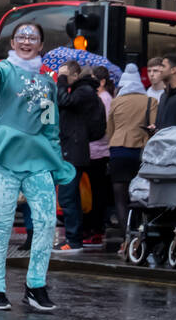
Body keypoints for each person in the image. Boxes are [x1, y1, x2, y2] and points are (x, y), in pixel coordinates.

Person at [0, 22, 76, 311]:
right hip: (4, 158)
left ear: (41, 45)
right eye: (21, 36)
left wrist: (56, 163)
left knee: (46, 223)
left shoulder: (47, 83)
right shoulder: (4, 71)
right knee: (1, 225)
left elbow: (50, 125)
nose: (26, 41)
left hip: (38, 160)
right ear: (12, 42)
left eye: (32, 37)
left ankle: (35, 286)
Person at [106, 64, 157, 253]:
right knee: (141, 196)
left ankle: (126, 240)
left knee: (120, 198)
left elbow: (109, 129)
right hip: (140, 151)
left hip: (118, 150)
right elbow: (154, 127)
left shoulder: (116, 102)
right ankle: (141, 237)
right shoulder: (150, 101)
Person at [53, 61, 101, 253]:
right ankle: (73, 239)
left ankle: (73, 241)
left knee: (67, 197)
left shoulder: (84, 92)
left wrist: (62, 79)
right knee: (70, 196)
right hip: (72, 149)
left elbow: (63, 100)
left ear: (75, 75)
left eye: (64, 75)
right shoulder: (83, 92)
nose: (61, 80)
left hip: (73, 152)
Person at [84, 65, 114, 246]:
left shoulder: (103, 99)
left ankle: (95, 230)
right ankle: (96, 229)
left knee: (95, 194)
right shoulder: (104, 98)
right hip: (98, 150)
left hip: (97, 151)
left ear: (101, 81)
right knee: (96, 193)